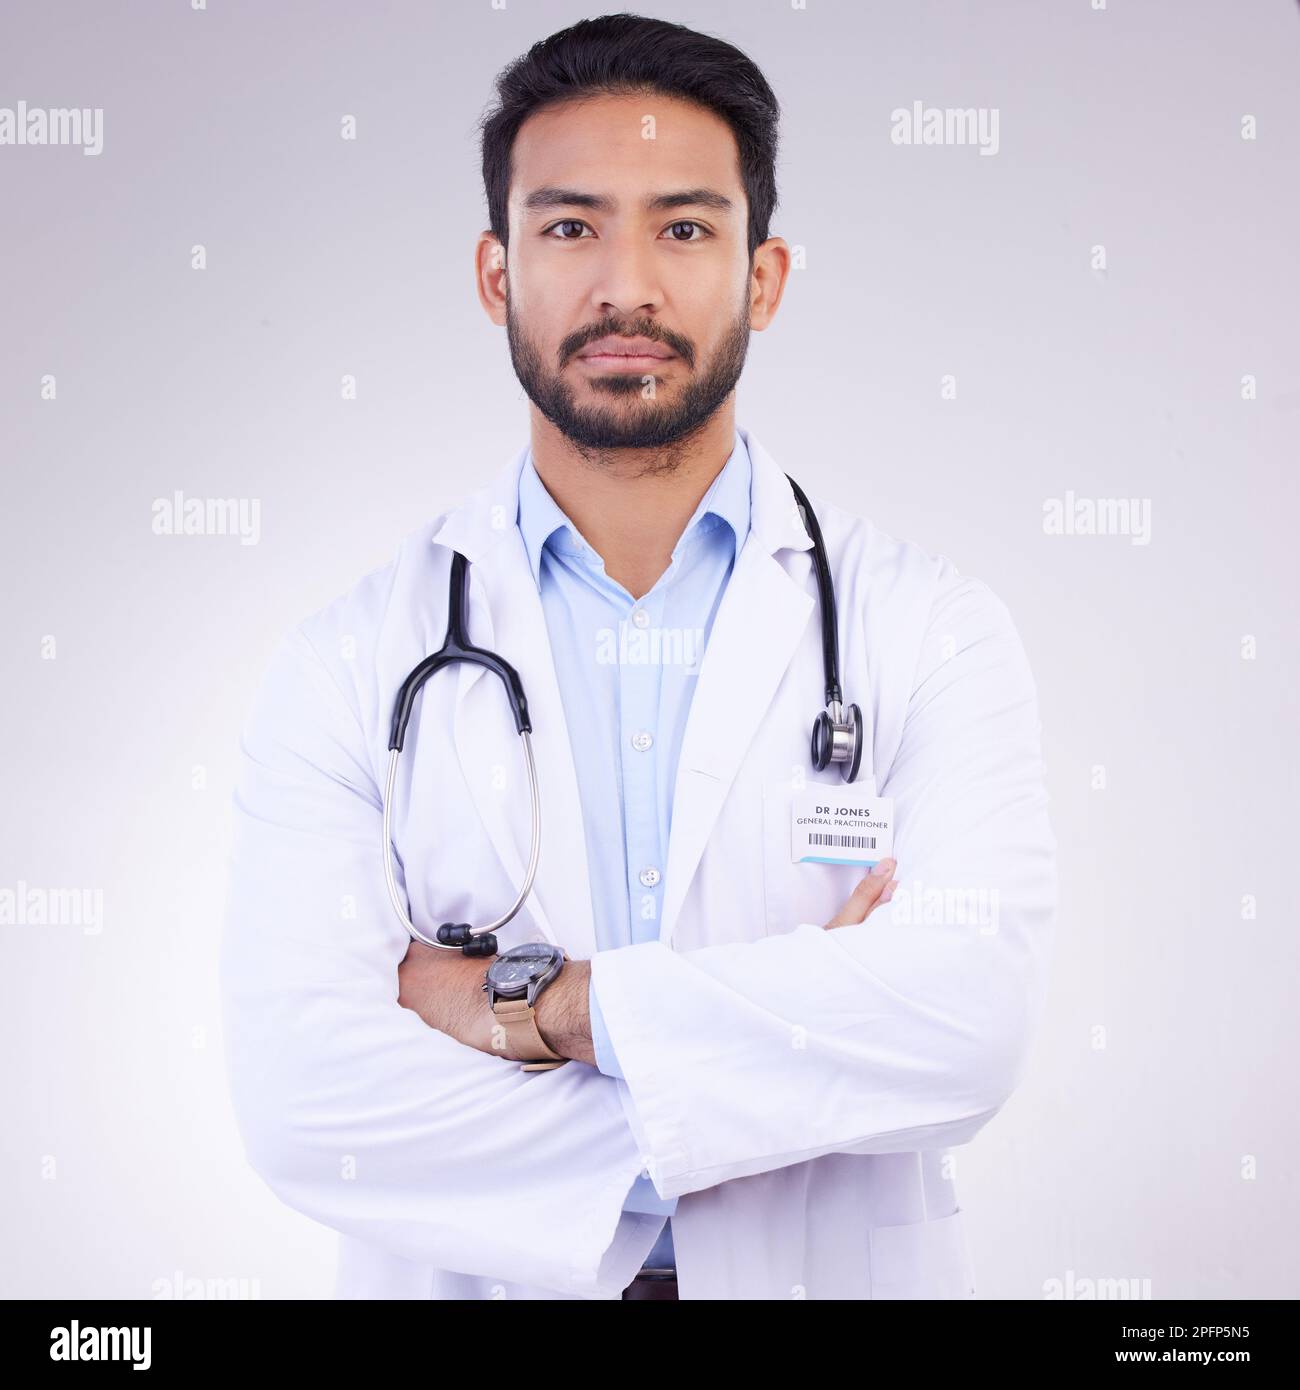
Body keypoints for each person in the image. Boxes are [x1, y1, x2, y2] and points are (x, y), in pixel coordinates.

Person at [220, 12, 1058, 1300]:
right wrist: (796, 1056)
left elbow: (965, 1031)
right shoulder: (347, 662)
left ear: (762, 276)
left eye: (683, 227)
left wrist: (537, 1010)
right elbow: (308, 1107)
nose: (627, 287)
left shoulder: (932, 630)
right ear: (496, 275)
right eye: (569, 227)